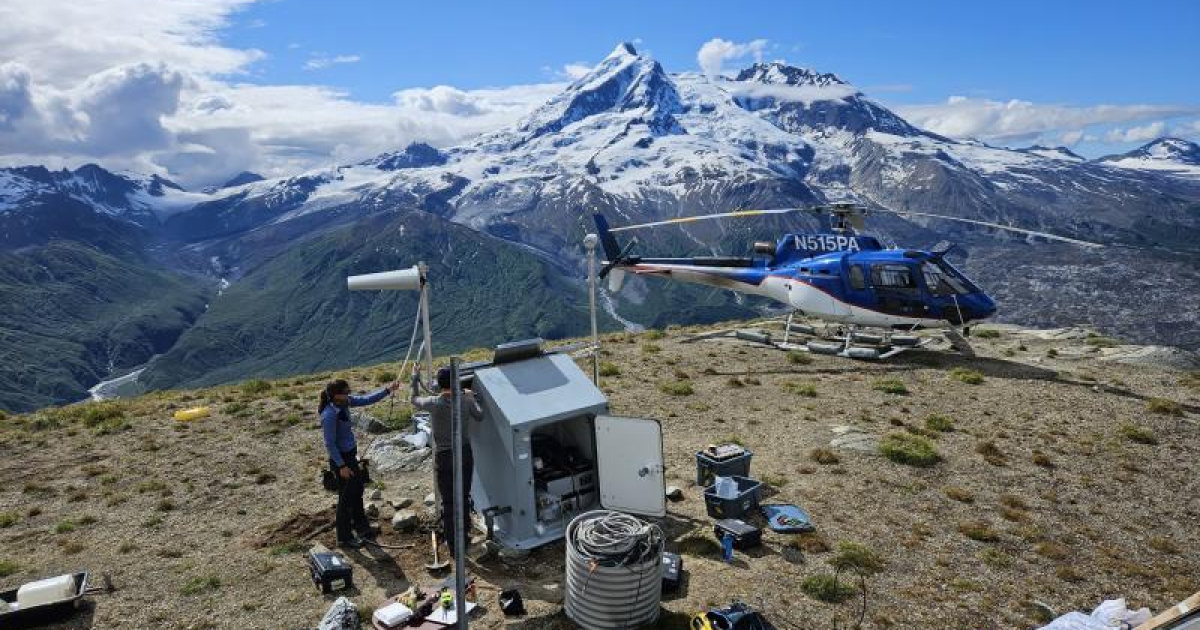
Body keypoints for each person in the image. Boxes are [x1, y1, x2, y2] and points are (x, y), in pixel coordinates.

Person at [411, 366, 483, 558]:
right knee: (464, 496)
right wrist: (472, 397)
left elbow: (414, 399)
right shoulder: (466, 400)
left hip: (444, 457)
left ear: (439, 384)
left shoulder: (433, 402)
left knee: (449, 502)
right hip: (465, 454)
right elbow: (480, 415)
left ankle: (453, 545)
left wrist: (414, 378)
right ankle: (465, 538)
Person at [319, 378, 398, 548]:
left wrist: (387, 390)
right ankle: (344, 537)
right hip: (342, 461)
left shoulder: (344, 403)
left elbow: (366, 399)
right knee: (346, 498)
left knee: (357, 491)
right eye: (346, 393)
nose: (350, 395)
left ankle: (362, 527)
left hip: (350, 456)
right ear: (336, 395)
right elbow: (330, 444)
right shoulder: (329, 415)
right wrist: (341, 466)